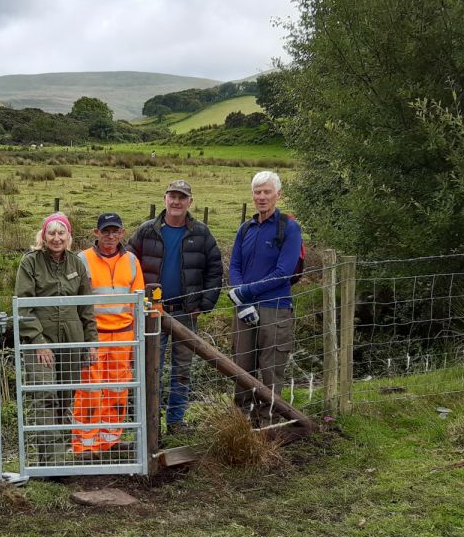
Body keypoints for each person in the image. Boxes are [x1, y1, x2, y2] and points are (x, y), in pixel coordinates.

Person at [128, 180, 222, 434]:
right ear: (165, 199)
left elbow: (215, 269)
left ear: (190, 202)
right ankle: (150, 423)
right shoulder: (146, 231)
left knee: (182, 370)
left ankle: (176, 421)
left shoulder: (201, 233)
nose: (177, 202)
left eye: (182, 197)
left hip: (185, 311)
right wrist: (136, 302)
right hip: (152, 314)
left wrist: (204, 304)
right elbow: (128, 262)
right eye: (173, 196)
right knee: (151, 369)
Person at [15, 213, 98, 465]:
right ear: (43, 236)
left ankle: (60, 456)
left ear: (68, 236)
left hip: (72, 342)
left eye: (61, 233)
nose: (56, 238)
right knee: (46, 396)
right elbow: (23, 306)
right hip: (42, 342)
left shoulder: (77, 264)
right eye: (51, 233)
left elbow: (86, 308)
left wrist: (91, 342)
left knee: (65, 397)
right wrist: (39, 342)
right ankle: (51, 463)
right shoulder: (30, 263)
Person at [228, 170, 302, 423]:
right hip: (244, 310)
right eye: (257, 192)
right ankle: (240, 426)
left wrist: (244, 293)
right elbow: (234, 266)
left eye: (267, 192)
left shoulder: (289, 228)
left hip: (275, 307)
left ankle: (268, 426)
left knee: (271, 370)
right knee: (241, 368)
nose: (261, 197)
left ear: (277, 195)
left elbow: (283, 272)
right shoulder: (245, 229)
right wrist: (242, 300)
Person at [73, 213, 144, 460]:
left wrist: (137, 340)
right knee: (89, 390)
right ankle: (84, 445)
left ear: (122, 233)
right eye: (106, 231)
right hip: (95, 336)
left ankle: (110, 443)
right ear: (97, 233)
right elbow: (77, 303)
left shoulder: (132, 261)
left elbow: (138, 303)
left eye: (115, 231)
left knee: (117, 390)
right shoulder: (82, 259)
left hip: (123, 337)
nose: (110, 236)